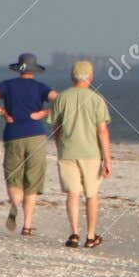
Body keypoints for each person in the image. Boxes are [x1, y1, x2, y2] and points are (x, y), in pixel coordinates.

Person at [0, 53, 55, 236]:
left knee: (13, 177)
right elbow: (61, 101)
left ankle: (14, 203)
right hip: (36, 135)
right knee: (32, 182)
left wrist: (2, 111)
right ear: (34, 70)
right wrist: (42, 114)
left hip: (13, 134)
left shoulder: (7, 86)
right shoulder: (41, 88)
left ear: (19, 68)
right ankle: (27, 226)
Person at [49, 59, 113, 248]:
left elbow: (56, 128)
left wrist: (59, 147)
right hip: (91, 154)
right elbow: (102, 131)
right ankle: (91, 236)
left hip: (68, 151)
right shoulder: (96, 99)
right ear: (91, 77)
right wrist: (107, 159)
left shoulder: (62, 98)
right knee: (92, 195)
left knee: (73, 193)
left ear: (72, 77)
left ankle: (75, 233)